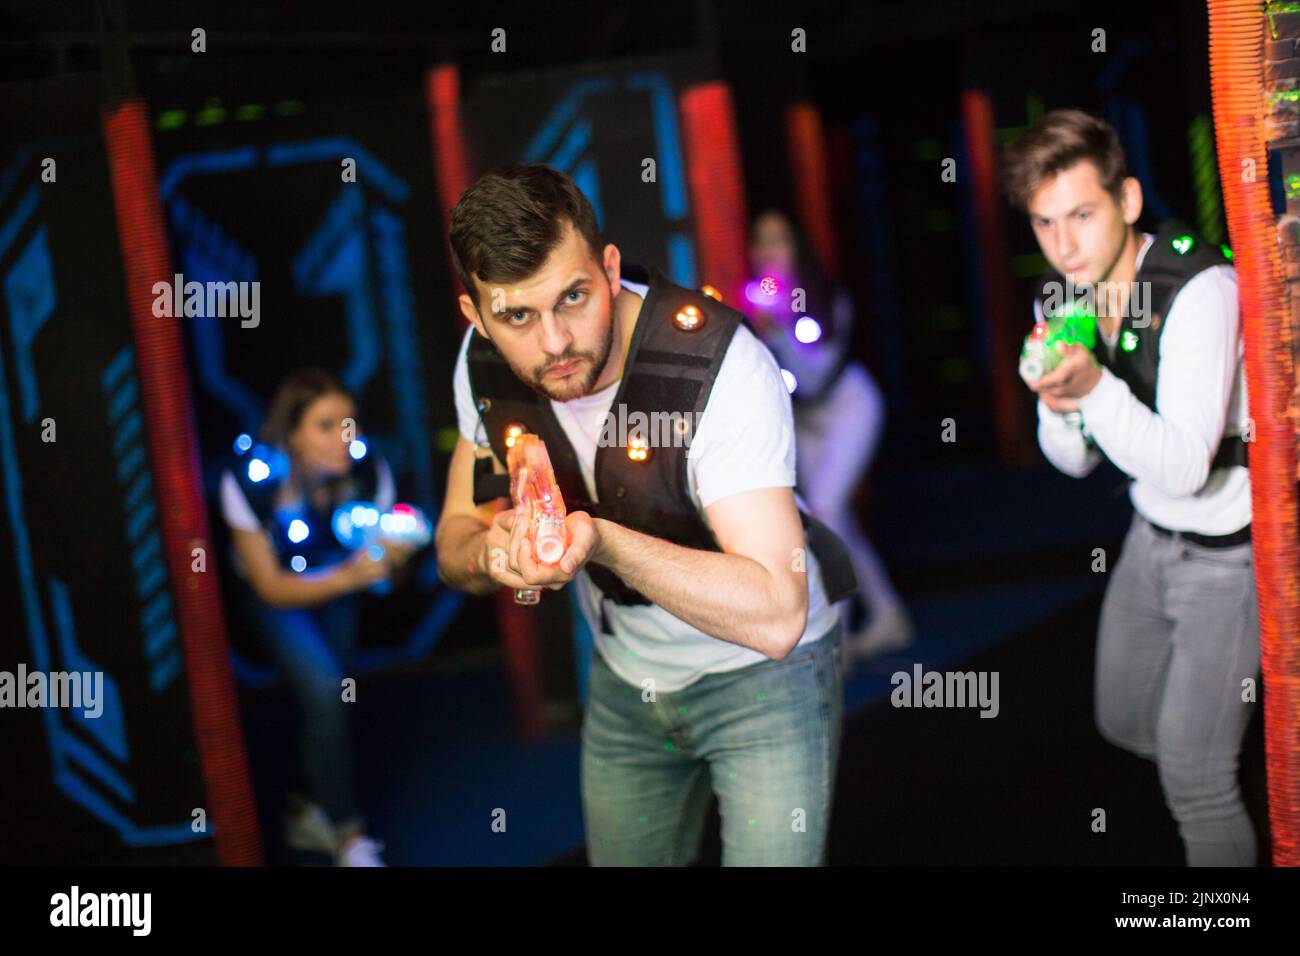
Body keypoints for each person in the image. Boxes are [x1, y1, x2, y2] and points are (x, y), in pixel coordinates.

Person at [435, 164, 858, 865]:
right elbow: (454, 537)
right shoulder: (479, 364)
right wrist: (492, 552)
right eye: (516, 316)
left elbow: (778, 614)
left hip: (766, 680)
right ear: (476, 316)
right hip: (630, 679)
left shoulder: (719, 364)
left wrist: (596, 540)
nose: (554, 342)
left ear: (606, 269)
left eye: (573, 297)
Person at [1002, 109, 1258, 865]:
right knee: (1121, 719)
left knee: (1193, 776)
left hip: (1229, 553)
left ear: (1129, 200)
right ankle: (1224, 758)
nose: (1064, 245)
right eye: (1046, 223)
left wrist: (1091, 391)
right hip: (1150, 539)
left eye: (1082, 214)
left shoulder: (1198, 286)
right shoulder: (1069, 298)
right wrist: (1060, 401)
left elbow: (1183, 464)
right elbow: (1075, 461)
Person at [219, 367, 415, 867]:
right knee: (326, 690)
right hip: (276, 599)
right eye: (326, 425)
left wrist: (395, 557)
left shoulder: (371, 472)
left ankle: (306, 807)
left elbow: (388, 575)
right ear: (293, 435)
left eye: (350, 423)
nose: (344, 438)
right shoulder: (249, 482)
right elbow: (271, 588)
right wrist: (353, 577)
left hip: (339, 586)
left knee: (331, 695)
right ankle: (350, 837)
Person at [746, 209, 912, 666]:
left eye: (779, 240)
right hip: (807, 422)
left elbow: (815, 378)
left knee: (825, 510)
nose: (769, 253)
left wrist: (780, 328)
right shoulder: (753, 305)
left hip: (849, 408)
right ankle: (888, 615)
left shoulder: (820, 297)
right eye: (761, 242)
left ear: (797, 246)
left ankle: (836, 634)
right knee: (833, 518)